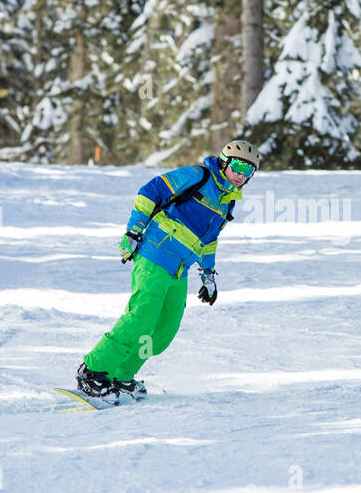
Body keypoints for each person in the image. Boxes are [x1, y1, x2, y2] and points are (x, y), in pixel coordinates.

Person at [75, 139, 261, 402]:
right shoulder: (197, 176)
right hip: (154, 255)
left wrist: (208, 276)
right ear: (224, 162)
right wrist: (133, 231)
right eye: (238, 166)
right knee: (140, 319)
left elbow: (208, 241)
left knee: (163, 332)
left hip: (179, 270)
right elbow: (151, 191)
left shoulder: (227, 203)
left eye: (249, 171)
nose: (241, 175)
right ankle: (93, 370)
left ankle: (121, 374)